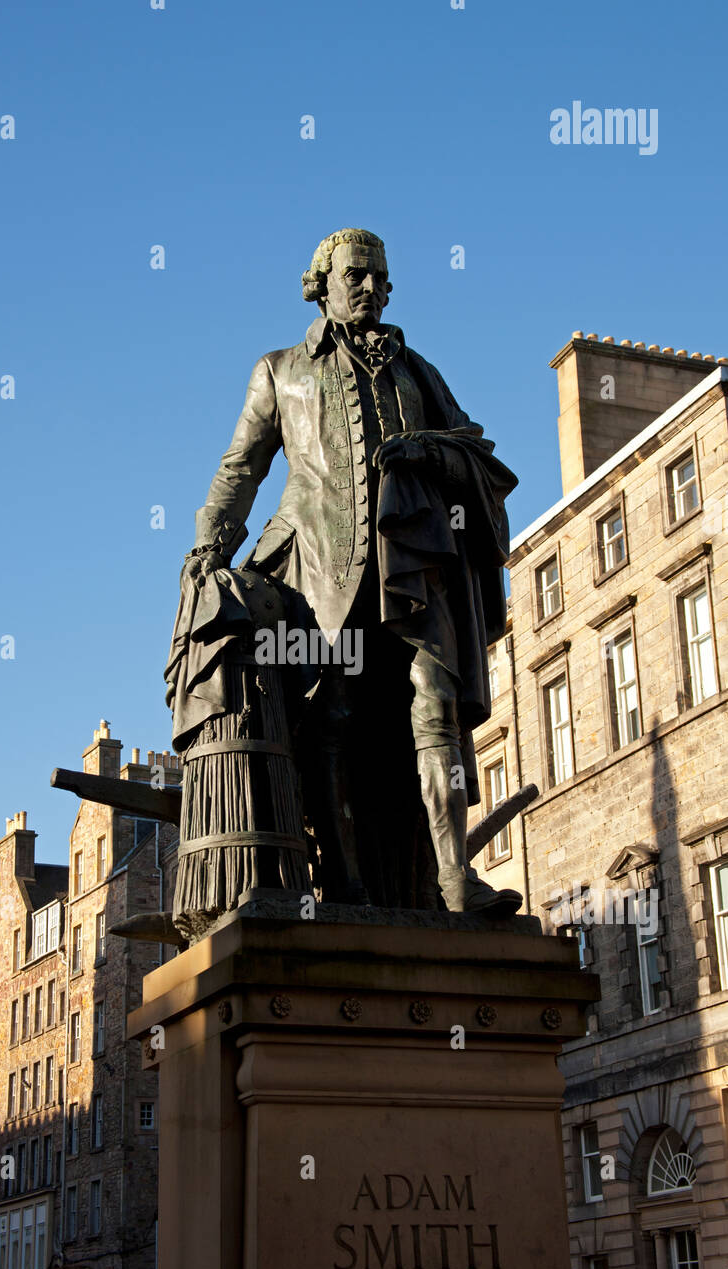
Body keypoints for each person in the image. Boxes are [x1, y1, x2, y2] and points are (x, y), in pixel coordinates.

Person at [174, 228, 521, 914]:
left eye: (380, 277)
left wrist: (429, 453)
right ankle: (348, 885)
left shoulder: (419, 372)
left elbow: (476, 454)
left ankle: (455, 879)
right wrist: (209, 545)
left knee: (437, 706)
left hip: (411, 569)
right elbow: (241, 466)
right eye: (356, 275)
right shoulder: (280, 370)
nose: (370, 287)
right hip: (316, 569)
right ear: (321, 284)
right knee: (331, 718)